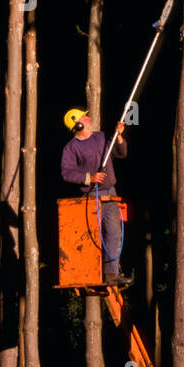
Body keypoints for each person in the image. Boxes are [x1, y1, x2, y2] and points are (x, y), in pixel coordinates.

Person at [61, 108, 129, 285]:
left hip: (111, 194)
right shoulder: (71, 148)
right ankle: (91, 273)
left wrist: (119, 136)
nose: (88, 117)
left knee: (114, 234)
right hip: (91, 197)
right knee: (92, 237)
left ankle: (112, 274)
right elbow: (66, 173)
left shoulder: (100, 137)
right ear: (78, 124)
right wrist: (89, 178)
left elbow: (122, 153)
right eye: (84, 116)